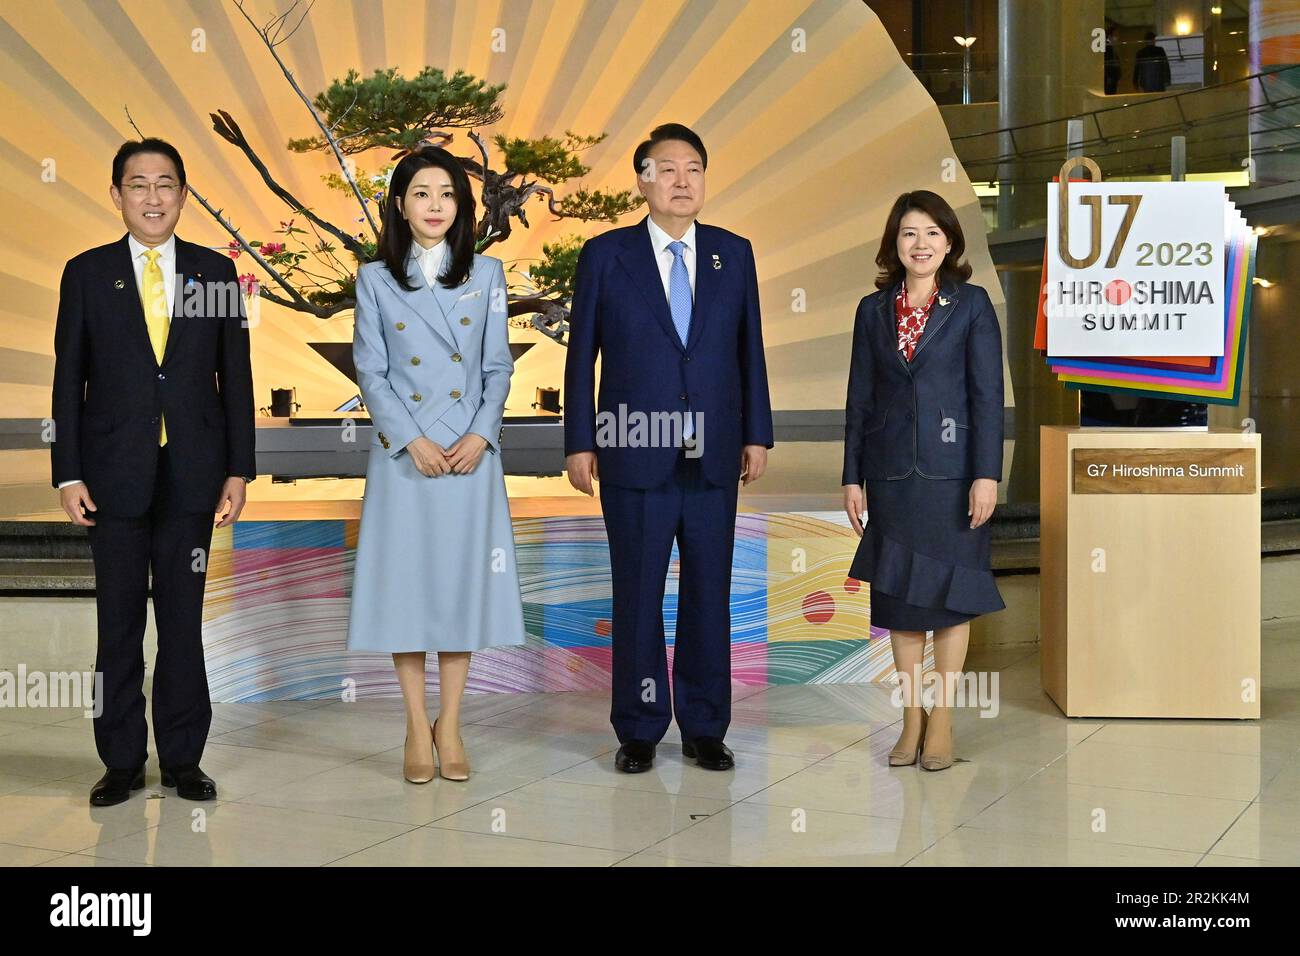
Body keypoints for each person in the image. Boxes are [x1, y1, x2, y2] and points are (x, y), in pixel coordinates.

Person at [51, 138, 256, 806]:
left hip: (193, 473)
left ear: (184, 195)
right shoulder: (87, 273)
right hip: (112, 474)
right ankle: (119, 761)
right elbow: (68, 379)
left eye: (165, 184)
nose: (152, 197)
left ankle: (183, 758)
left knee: (182, 622)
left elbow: (236, 377)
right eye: (137, 184)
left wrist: (239, 469)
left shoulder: (214, 273)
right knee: (117, 624)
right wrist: (68, 473)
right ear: (117, 195)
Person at [564, 123, 774, 774]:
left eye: (694, 169)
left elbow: (750, 350)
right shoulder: (606, 255)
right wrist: (579, 442)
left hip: (714, 453)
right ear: (643, 181)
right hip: (633, 449)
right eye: (668, 169)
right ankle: (639, 727)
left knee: (710, 591)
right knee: (637, 594)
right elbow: (580, 357)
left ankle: (705, 727)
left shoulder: (733, 254)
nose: (683, 181)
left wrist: (756, 433)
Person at [347, 145, 525, 784]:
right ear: (399, 204)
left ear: (462, 206)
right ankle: (413, 723)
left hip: (469, 454)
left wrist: (481, 434)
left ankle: (449, 725)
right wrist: (410, 439)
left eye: (447, 194)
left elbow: (498, 366)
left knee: (457, 587)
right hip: (406, 456)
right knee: (407, 588)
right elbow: (370, 371)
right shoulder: (375, 278)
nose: (435, 206)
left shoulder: (489, 274)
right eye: (421, 193)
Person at [841, 190, 1005, 772]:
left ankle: (943, 719)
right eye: (910, 233)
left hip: (953, 476)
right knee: (901, 601)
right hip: (890, 478)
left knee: (951, 598)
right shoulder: (871, 310)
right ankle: (911, 717)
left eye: (933, 232)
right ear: (895, 242)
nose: (921, 243)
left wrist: (986, 475)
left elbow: (988, 396)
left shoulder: (971, 304)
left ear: (950, 241)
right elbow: (859, 399)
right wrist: (852, 476)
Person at [1104, 23, 1120, 95]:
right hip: (1110, 76)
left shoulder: (1112, 47)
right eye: (1115, 35)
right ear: (1110, 36)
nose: (1117, 37)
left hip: (1112, 76)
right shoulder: (1107, 47)